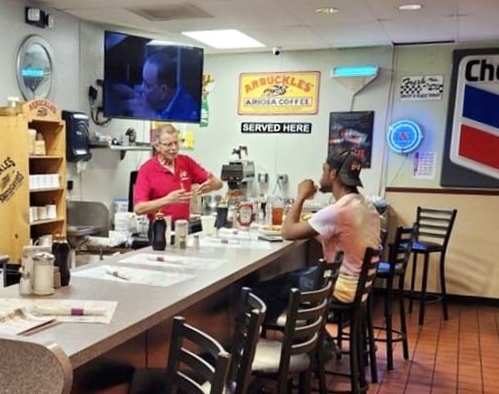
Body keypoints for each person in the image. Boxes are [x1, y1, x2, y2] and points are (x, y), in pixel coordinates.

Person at [253, 148, 382, 319]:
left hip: (339, 286)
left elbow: (287, 232)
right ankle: (310, 334)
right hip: (356, 284)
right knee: (289, 278)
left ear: (333, 174)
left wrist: (301, 196)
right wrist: (314, 226)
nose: (322, 176)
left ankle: (305, 337)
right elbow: (339, 238)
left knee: (260, 292)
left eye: (324, 170)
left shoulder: (339, 210)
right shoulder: (365, 205)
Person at [133, 123, 222, 223]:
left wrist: (214, 184)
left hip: (183, 227)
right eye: (169, 144)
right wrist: (168, 200)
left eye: (176, 143)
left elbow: (218, 184)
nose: (174, 148)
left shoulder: (186, 162)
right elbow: (139, 209)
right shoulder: (146, 169)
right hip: (159, 229)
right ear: (157, 146)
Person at [116, 49, 200, 122]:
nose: (141, 89)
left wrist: (153, 117)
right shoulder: (169, 94)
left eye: (147, 86)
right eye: (143, 82)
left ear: (163, 90)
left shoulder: (189, 114)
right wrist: (134, 94)